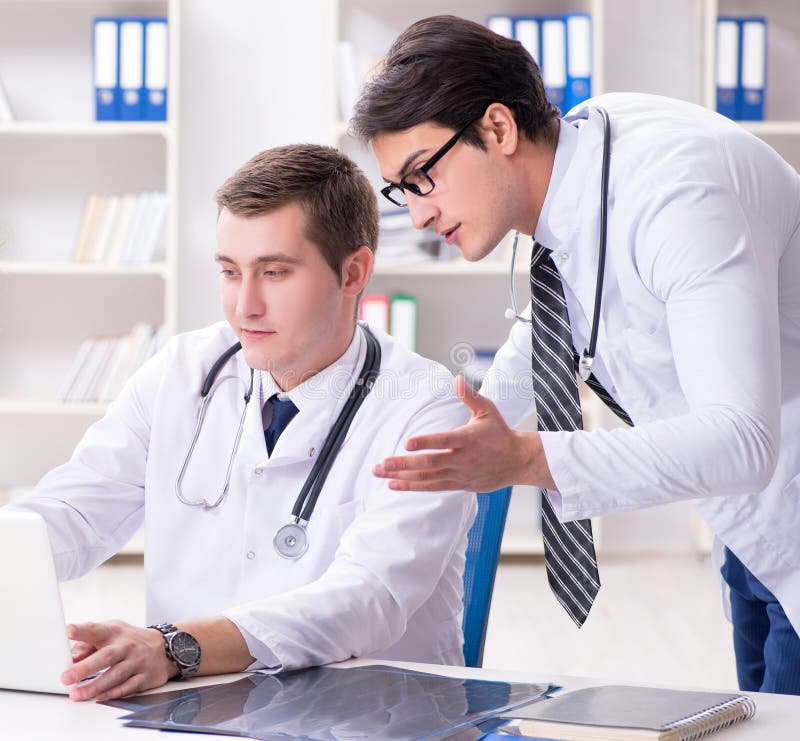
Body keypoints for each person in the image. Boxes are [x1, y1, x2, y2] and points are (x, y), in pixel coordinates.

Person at [352, 15, 800, 695]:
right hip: (753, 529)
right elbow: (549, 325)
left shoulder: (678, 194)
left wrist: (528, 458)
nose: (417, 216)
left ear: (498, 129)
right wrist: (430, 441)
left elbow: (743, 440)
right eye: (401, 192)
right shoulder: (583, 162)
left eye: (422, 178)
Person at [4, 143, 476, 702]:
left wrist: (174, 647)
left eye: (274, 273)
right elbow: (72, 510)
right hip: (193, 708)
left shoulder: (426, 407)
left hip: (368, 715)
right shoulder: (181, 372)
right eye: (230, 272)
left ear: (354, 273)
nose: (243, 306)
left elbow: (366, 599)